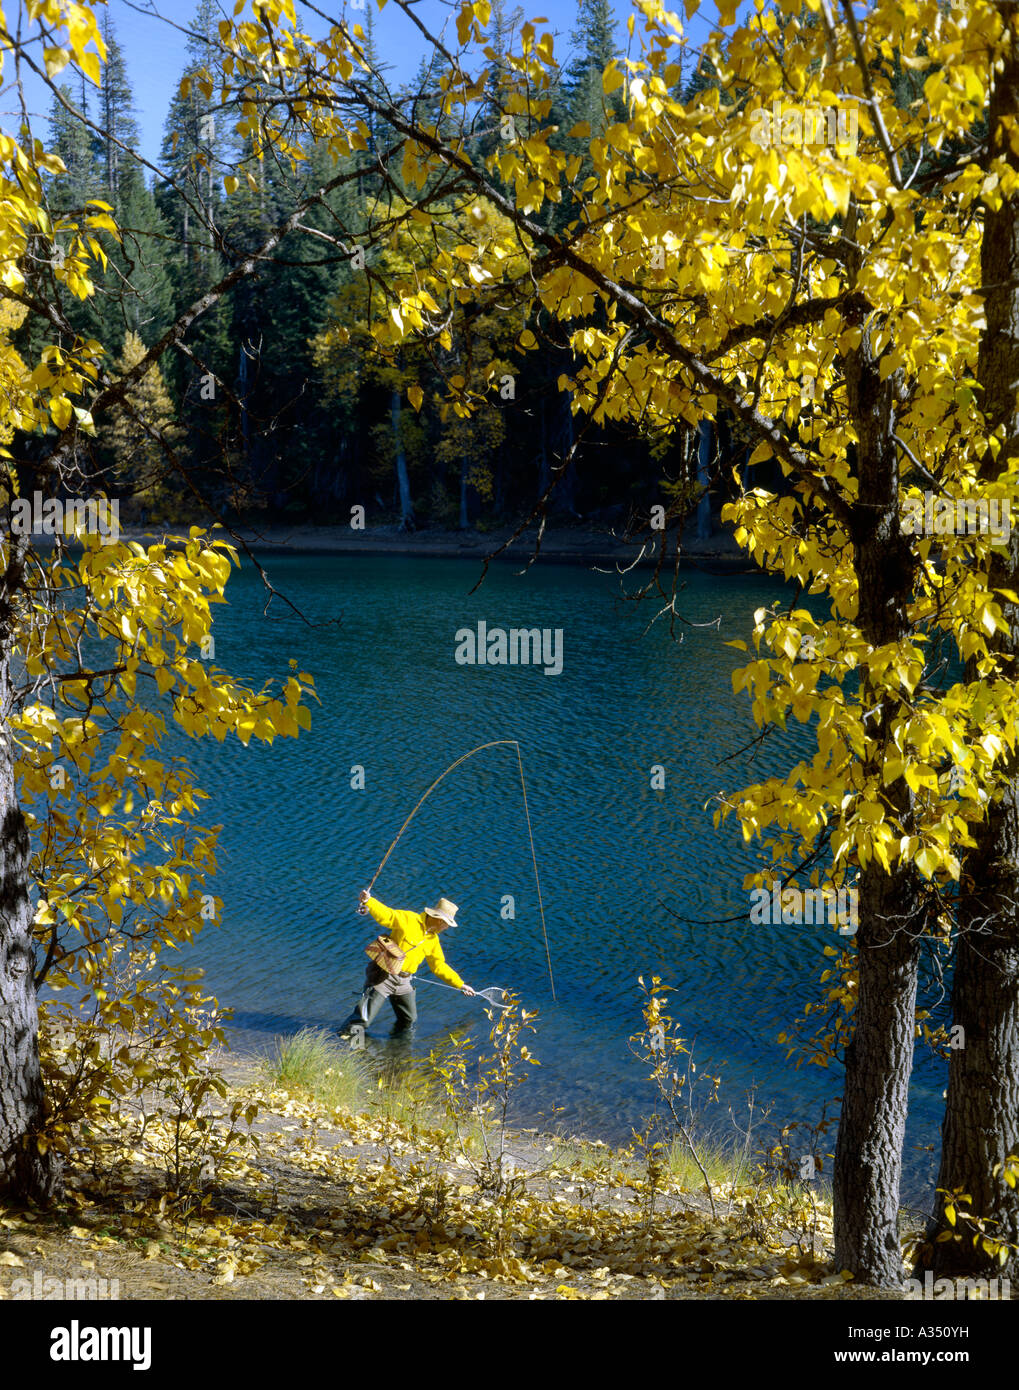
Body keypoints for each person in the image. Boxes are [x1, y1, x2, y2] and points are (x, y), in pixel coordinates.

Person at [339, 890, 476, 1035]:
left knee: (408, 1019)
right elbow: (387, 916)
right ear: (438, 919)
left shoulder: (433, 940)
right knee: (363, 1020)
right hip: (383, 977)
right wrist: (369, 901)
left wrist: (460, 984)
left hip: (404, 982)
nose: (447, 927)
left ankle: (396, 1050)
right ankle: (341, 1040)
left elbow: (439, 966)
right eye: (446, 924)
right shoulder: (409, 919)